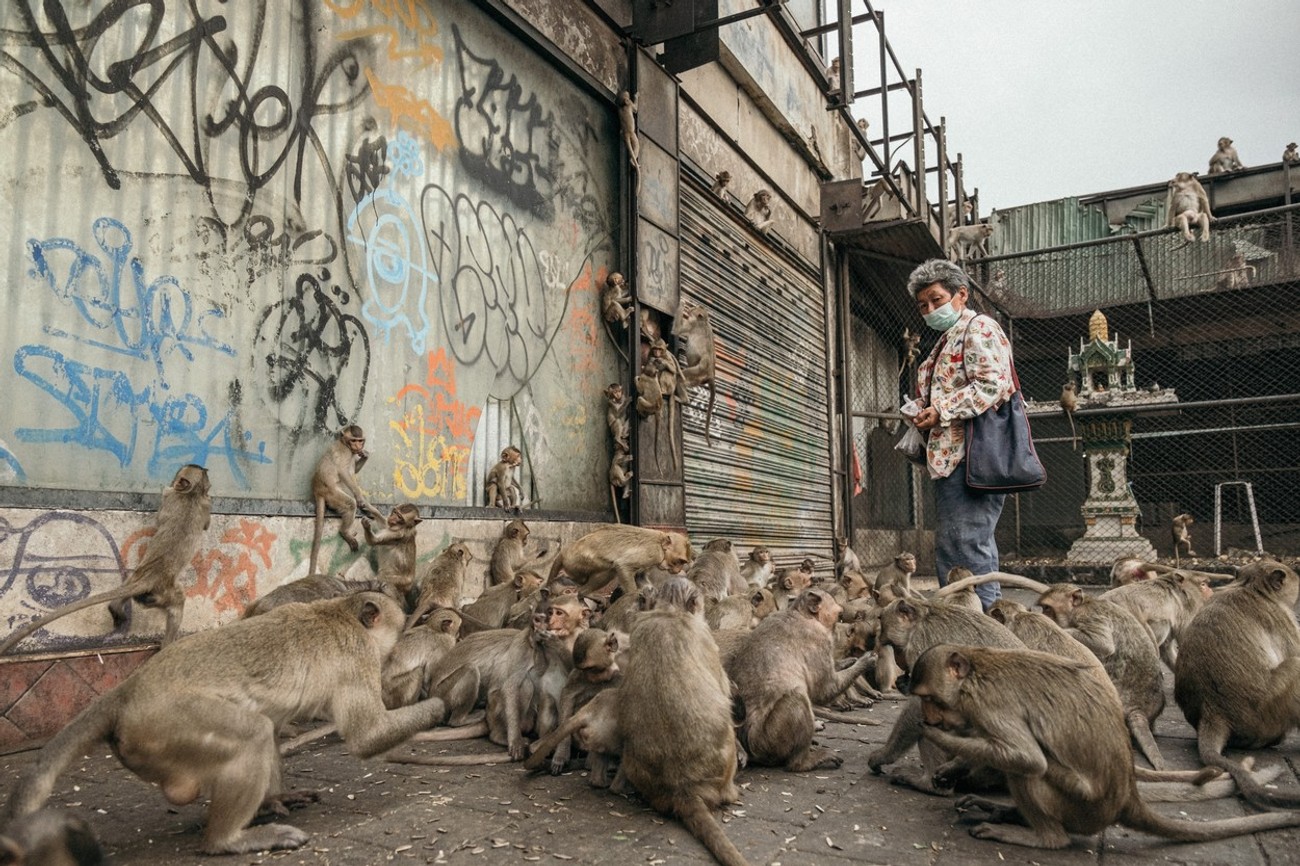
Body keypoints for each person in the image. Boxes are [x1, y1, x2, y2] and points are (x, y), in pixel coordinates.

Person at [907, 259, 1014, 610]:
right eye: (923, 305)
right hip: (952, 457)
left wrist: (941, 410)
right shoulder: (947, 338)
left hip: (972, 456)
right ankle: (975, 625)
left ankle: (979, 630)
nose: (930, 309)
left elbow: (993, 384)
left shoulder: (979, 327)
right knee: (959, 545)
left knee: (965, 545)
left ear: (961, 294)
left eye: (937, 300)